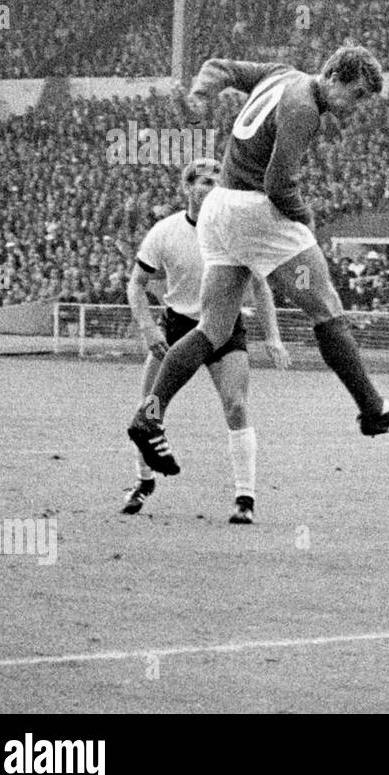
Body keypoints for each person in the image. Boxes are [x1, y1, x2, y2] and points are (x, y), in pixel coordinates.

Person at [126, 46, 389, 476]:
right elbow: (278, 183)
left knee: (212, 328)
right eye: (357, 95)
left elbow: (220, 67)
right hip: (252, 209)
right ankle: (372, 409)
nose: (357, 107)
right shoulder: (305, 108)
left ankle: (149, 415)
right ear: (334, 77)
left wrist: (200, 94)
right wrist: (305, 220)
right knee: (326, 307)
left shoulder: (281, 74)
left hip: (219, 210)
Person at [122, 159, 289, 523]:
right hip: (178, 328)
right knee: (150, 409)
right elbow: (136, 283)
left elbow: (260, 286)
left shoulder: (237, 231)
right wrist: (148, 328)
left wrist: (273, 336)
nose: (210, 185)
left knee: (236, 406)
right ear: (187, 187)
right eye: (202, 180)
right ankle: (143, 481)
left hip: (224, 329)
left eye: (218, 180)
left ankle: (245, 498)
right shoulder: (165, 231)